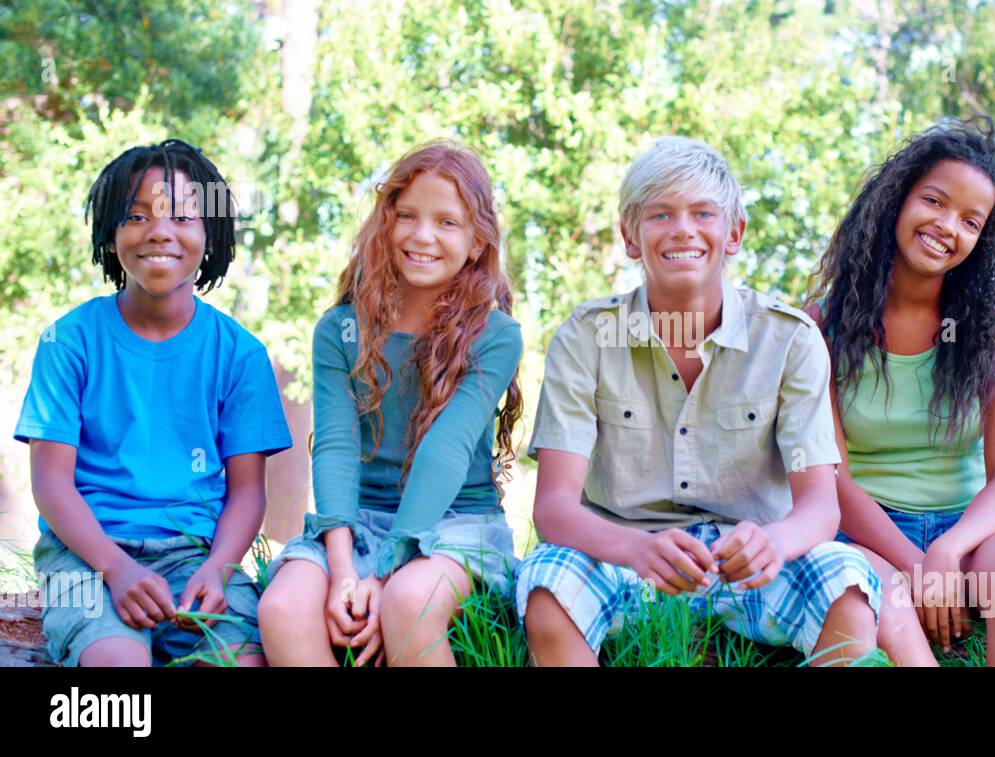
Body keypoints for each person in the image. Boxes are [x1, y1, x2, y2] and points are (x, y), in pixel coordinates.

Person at [516, 136, 881, 667]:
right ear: (630, 237)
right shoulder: (586, 336)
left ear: (733, 234)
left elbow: (821, 507)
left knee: (846, 584)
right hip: (624, 551)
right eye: (660, 214)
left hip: (749, 560)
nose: (682, 229)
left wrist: (776, 542)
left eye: (702, 213)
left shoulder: (789, 340)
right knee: (548, 588)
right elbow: (553, 507)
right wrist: (634, 549)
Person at [15, 139, 292, 666]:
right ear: (110, 233)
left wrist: (218, 569)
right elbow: (51, 481)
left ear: (210, 235)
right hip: (87, 556)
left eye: (182, 217)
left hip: (199, 553)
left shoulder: (240, 353)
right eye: (136, 215)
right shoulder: (69, 341)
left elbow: (248, 493)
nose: (159, 231)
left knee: (241, 661)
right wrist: (115, 570)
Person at [258, 141, 523, 667]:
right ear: (386, 224)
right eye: (407, 216)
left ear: (476, 242)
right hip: (354, 522)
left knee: (407, 601)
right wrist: (343, 572)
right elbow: (333, 447)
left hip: (453, 524)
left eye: (447, 222)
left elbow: (444, 453)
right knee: (283, 608)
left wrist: (385, 573)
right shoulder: (341, 330)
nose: (423, 235)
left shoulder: (494, 336)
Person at [806, 119, 995, 666]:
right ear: (898, 199)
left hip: (964, 539)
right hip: (864, 538)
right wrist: (913, 565)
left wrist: (947, 550)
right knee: (882, 589)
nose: (948, 227)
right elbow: (833, 481)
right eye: (935, 201)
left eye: (971, 221)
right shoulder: (819, 328)